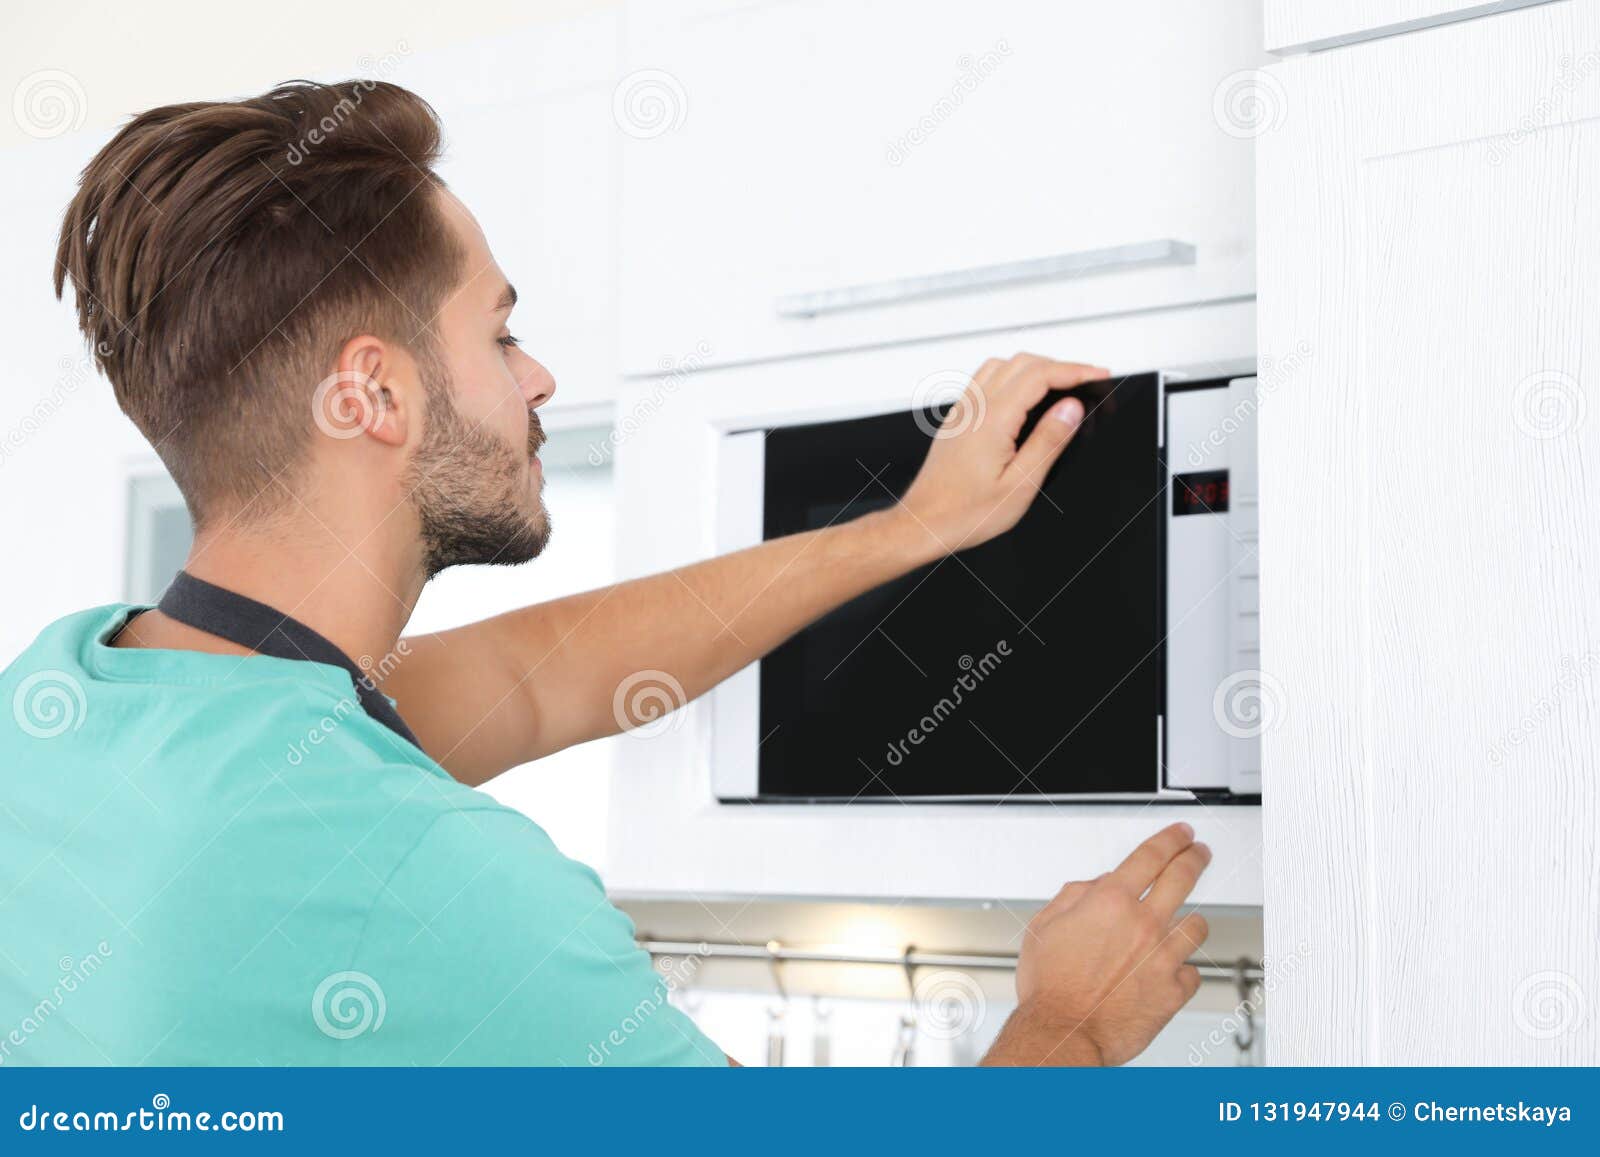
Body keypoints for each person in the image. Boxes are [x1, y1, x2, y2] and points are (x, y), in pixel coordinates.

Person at [0, 81, 1211, 1067]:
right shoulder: (440, 877)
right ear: (371, 391)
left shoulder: (65, 704)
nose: (538, 382)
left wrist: (906, 527)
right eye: (500, 333)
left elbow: (538, 676)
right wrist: (1072, 1025)